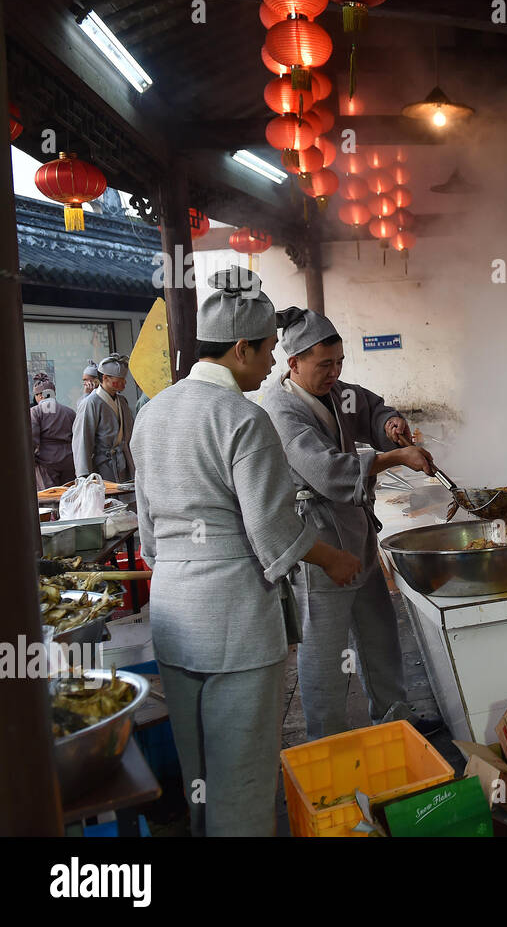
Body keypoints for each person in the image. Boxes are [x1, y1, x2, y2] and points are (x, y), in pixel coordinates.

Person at [131, 269, 362, 836]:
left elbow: (150, 537)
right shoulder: (243, 418)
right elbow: (273, 531)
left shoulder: (151, 413)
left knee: (200, 772)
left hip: (172, 613)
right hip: (234, 620)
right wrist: (332, 558)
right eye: (266, 352)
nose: (271, 365)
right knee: (243, 775)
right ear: (241, 348)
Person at [262, 307, 439, 740]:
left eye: (339, 362)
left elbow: (373, 408)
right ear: (294, 363)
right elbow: (328, 471)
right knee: (324, 648)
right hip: (319, 539)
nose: (334, 373)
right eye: (325, 365)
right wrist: (397, 456)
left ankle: (396, 717)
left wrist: (390, 424)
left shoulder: (338, 393)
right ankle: (327, 738)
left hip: (356, 533)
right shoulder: (280, 409)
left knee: (379, 629)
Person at [72, 353, 135, 482]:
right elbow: (82, 442)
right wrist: (84, 476)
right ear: (105, 378)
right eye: (120, 379)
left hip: (124, 462)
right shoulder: (90, 403)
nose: (125, 382)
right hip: (102, 467)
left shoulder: (122, 401)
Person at [30, 372, 76, 489]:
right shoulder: (69, 412)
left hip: (46, 462)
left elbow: (32, 440)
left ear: (40, 396)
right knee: (68, 497)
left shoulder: (35, 411)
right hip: (69, 461)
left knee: (50, 499)